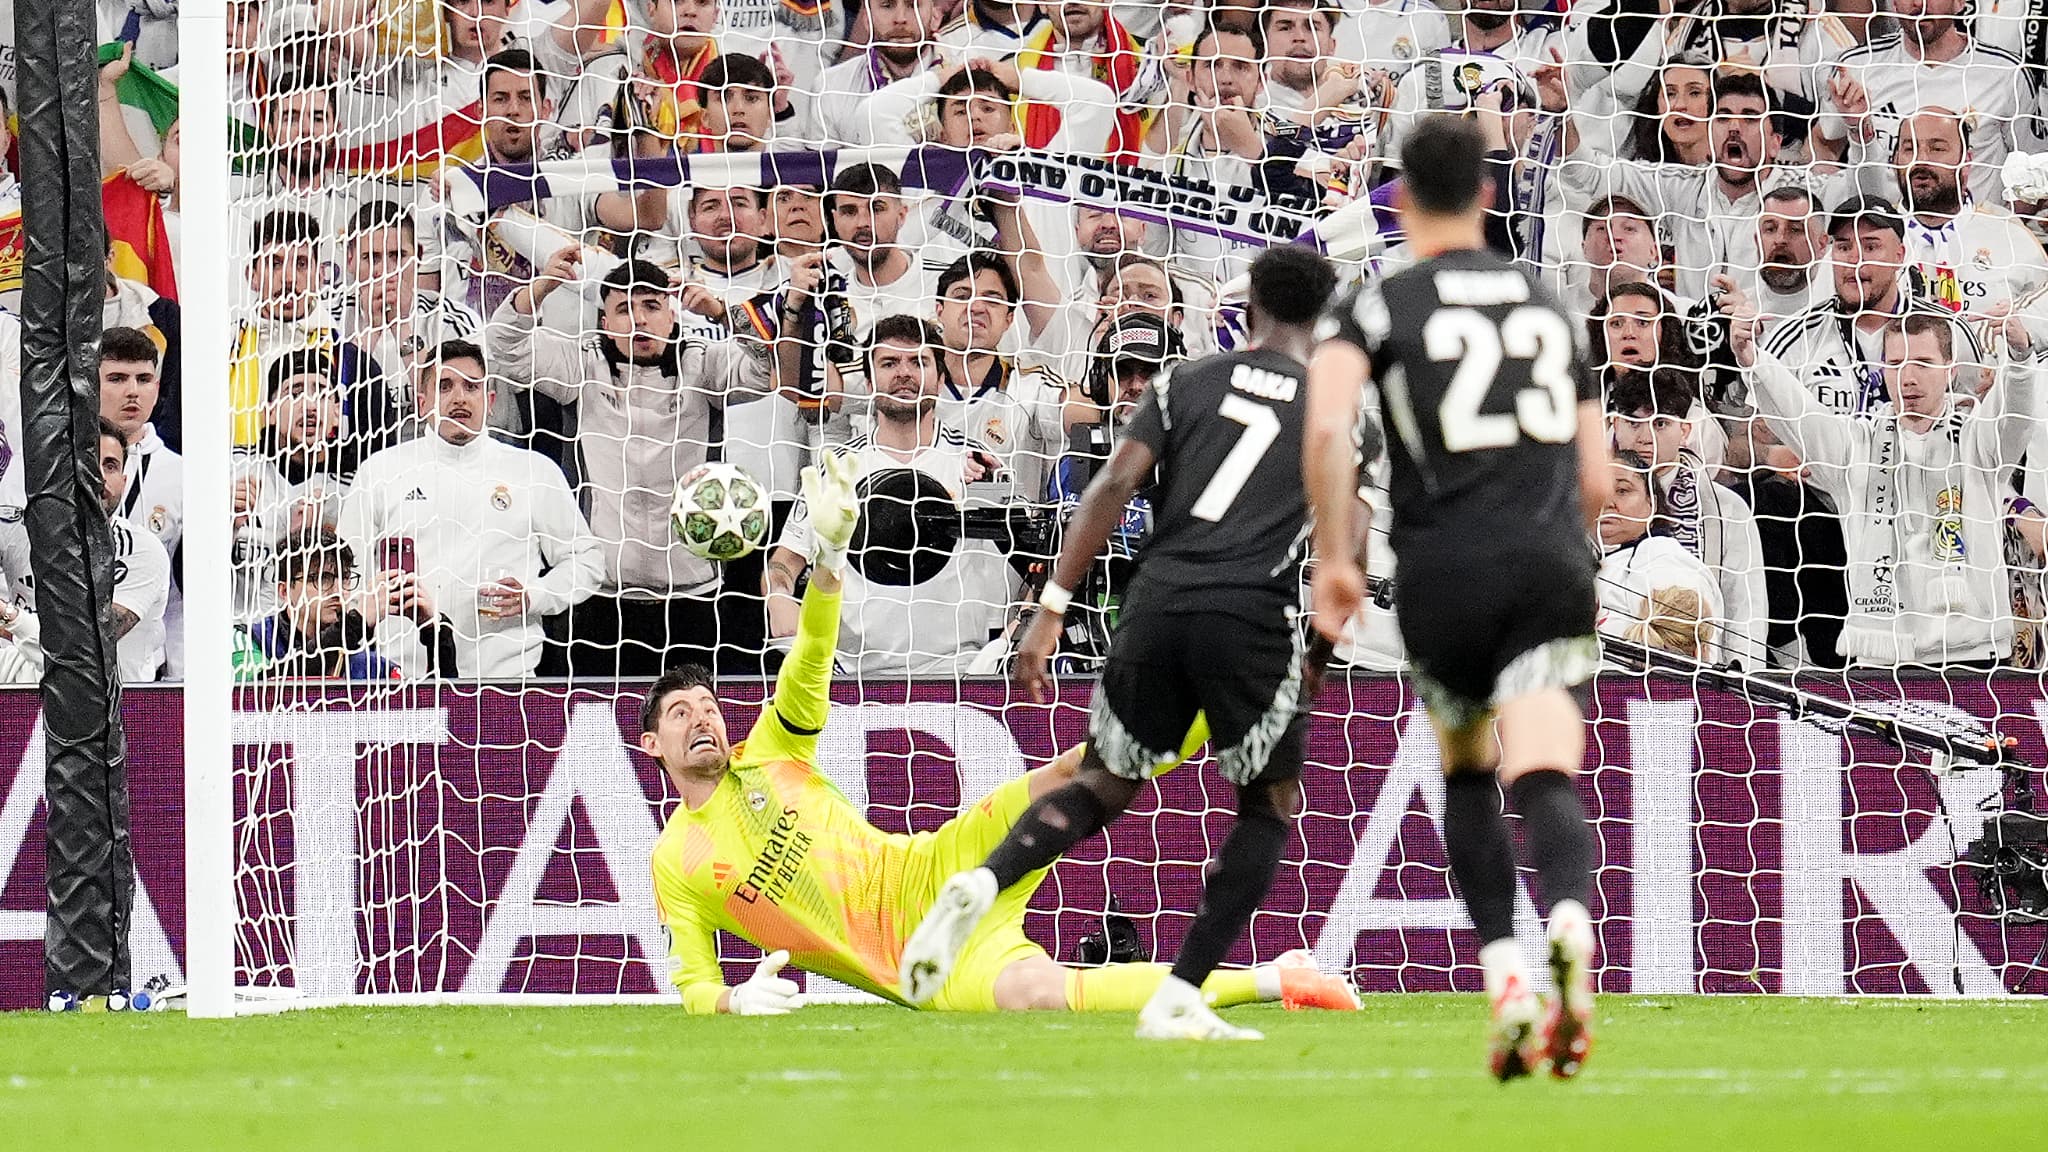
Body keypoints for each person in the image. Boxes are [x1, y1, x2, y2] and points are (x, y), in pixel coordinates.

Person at [647, 452, 1357, 1016]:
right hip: (914, 962)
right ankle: (1274, 980)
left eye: (706, 705)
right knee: (1040, 995)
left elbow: (810, 662)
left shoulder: (770, 754)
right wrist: (733, 1000)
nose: (701, 717)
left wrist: (829, 561)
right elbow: (692, 981)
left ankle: (1238, 695)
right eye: (679, 714)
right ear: (652, 746)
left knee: (1083, 765)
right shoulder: (677, 860)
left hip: (937, 866)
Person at [897, 244, 1344, 1041]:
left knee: (1103, 785)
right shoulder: (1333, 404)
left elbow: (1108, 487)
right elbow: (1349, 543)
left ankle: (983, 882)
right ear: (1322, 318)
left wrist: (1051, 611)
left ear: (1249, 311)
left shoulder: (1185, 382)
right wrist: (1317, 650)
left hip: (1154, 605)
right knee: (1268, 807)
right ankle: (1181, 995)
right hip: (1252, 615)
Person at [1304, 115, 1609, 1080]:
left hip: (1444, 569)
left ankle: (1508, 973)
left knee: (1469, 773)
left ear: (1399, 198)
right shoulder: (1550, 305)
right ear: (1487, 192)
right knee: (1547, 770)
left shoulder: (1381, 303)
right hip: (1550, 562)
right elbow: (1600, 480)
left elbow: (1325, 428)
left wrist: (1335, 560)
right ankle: (1570, 920)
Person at [1736, 300, 2040, 668]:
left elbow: (2016, 418)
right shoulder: (1857, 446)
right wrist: (1753, 359)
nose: (1908, 377)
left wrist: (2021, 356)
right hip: (1882, 656)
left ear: (1950, 370)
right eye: (1895, 365)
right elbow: (1798, 415)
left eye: (1923, 363)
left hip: (1973, 655)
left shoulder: (1979, 441)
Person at [337, 340, 604, 678]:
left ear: (489, 401)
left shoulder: (534, 472)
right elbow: (347, 573)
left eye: (471, 386)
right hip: (401, 679)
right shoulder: (381, 472)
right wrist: (371, 602)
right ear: (422, 403)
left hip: (508, 680)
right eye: (444, 386)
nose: (459, 397)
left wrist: (534, 595)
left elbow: (588, 561)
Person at [0, 419, 172, 683]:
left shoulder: (141, 552)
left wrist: (10, 618)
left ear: (124, 482)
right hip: (25, 705)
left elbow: (84, 646)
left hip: (120, 711)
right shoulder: (15, 530)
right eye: (88, 461)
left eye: (110, 465)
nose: (98, 476)